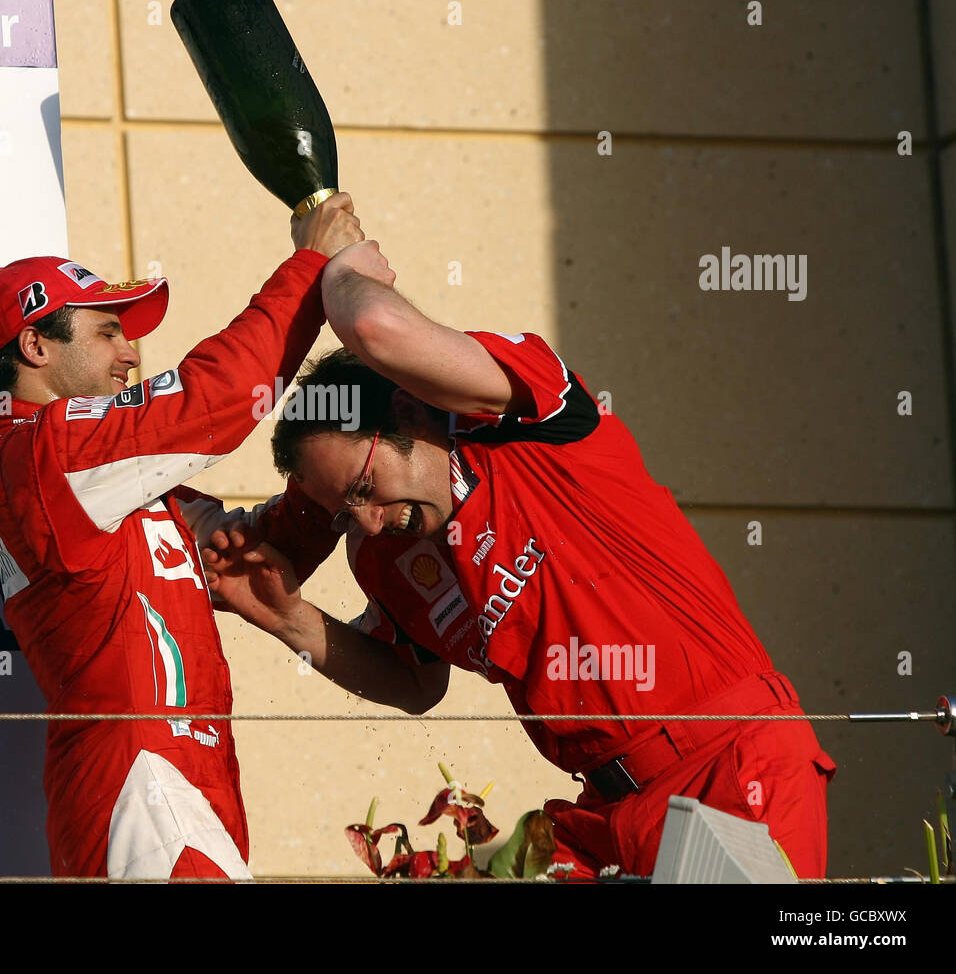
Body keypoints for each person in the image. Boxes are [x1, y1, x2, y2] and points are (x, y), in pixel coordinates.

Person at [202, 239, 838, 879]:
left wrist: (335, 260)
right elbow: (417, 685)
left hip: (726, 766)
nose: (366, 522)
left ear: (406, 412)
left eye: (365, 488)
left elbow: (376, 325)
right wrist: (291, 621)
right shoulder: (384, 556)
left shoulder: (522, 426)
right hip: (605, 811)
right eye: (345, 512)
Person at [0, 192, 363, 879]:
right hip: (138, 781)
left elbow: (256, 554)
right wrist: (312, 266)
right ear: (34, 345)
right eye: (107, 331)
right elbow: (217, 399)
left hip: (180, 775)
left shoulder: (102, 473)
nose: (131, 353)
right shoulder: (44, 453)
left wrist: (345, 477)